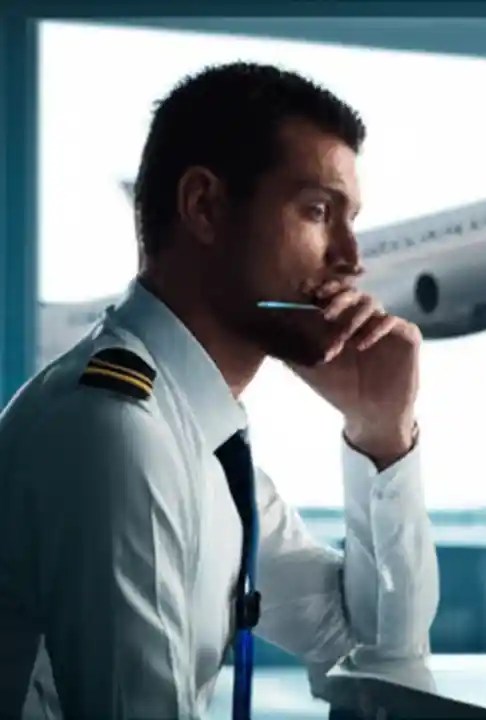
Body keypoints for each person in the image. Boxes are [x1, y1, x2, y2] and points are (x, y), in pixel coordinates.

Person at [0, 61, 439, 718]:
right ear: (204, 206)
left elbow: (372, 658)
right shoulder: (118, 433)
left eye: (351, 219)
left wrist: (382, 434)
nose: (351, 258)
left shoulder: (201, 438)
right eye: (318, 211)